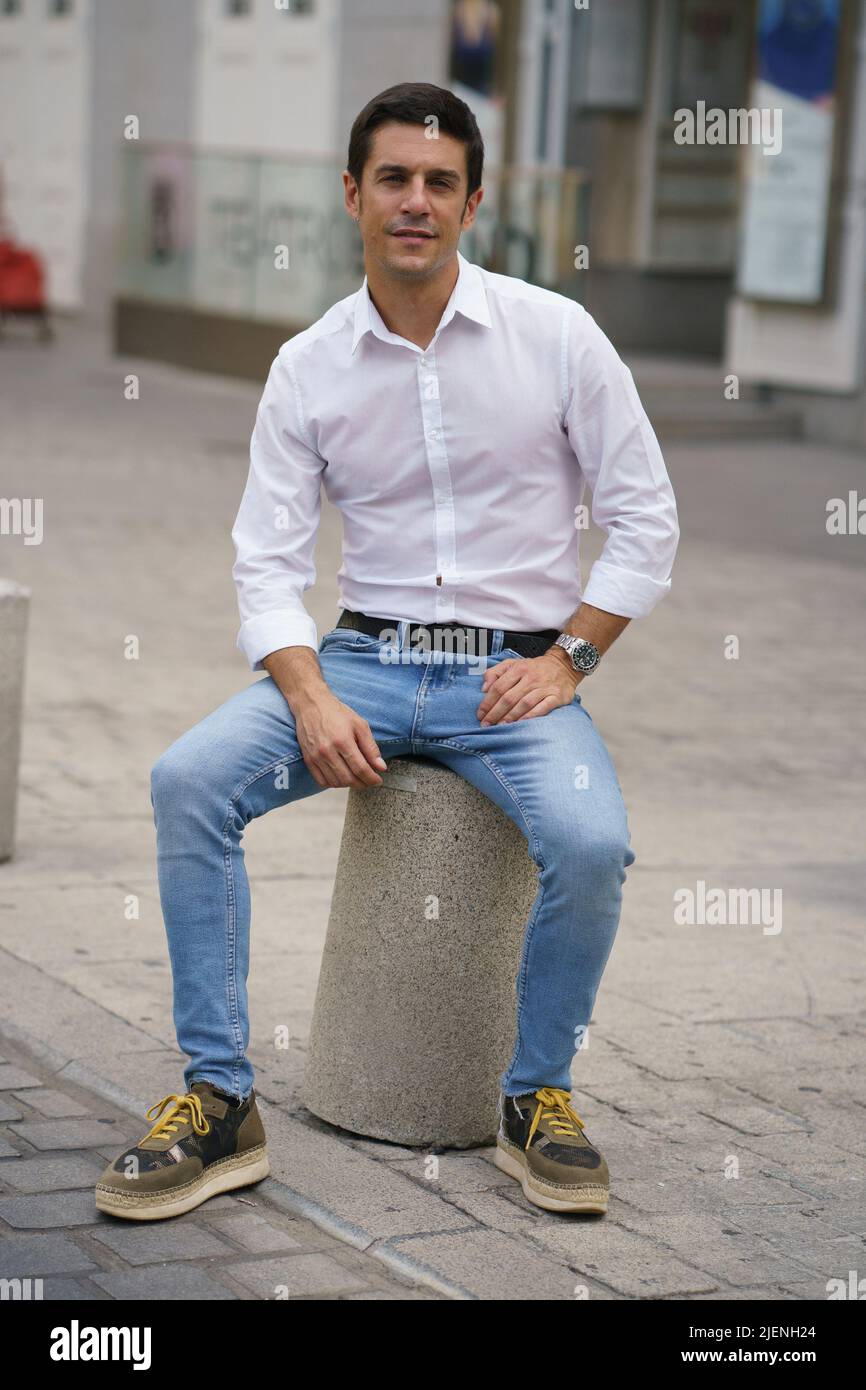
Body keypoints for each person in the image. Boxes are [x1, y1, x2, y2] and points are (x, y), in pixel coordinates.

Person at [95, 81, 678, 1222]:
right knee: (187, 783)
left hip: (510, 679)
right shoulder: (308, 365)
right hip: (358, 661)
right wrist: (307, 694)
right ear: (353, 194)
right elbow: (265, 562)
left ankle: (536, 1098)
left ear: (472, 203)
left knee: (592, 841)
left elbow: (644, 517)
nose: (416, 200)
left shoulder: (555, 337)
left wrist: (569, 661)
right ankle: (219, 1098)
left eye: (440, 182)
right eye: (394, 179)